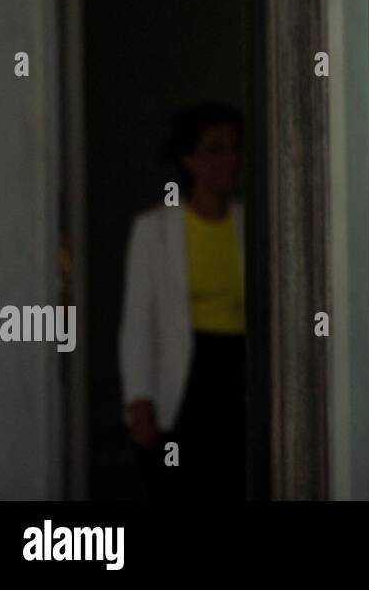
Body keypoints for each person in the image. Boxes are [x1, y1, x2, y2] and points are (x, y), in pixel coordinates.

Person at [119, 102, 247, 500]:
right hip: (191, 372)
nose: (228, 159)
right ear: (189, 159)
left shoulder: (253, 222)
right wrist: (139, 399)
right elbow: (138, 321)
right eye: (214, 148)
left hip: (241, 369)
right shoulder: (155, 229)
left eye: (234, 148)